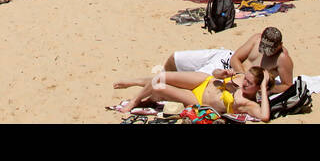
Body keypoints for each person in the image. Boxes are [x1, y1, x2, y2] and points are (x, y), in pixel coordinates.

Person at [113, 65, 271, 120]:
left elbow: (264, 116)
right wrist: (221, 73)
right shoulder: (242, 77)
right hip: (204, 81)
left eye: (249, 83)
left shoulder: (246, 103)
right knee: (161, 76)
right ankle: (134, 88)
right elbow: (215, 73)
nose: (244, 83)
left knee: (158, 86)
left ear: (258, 87)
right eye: (245, 79)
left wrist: (264, 87)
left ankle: (136, 100)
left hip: (198, 99)